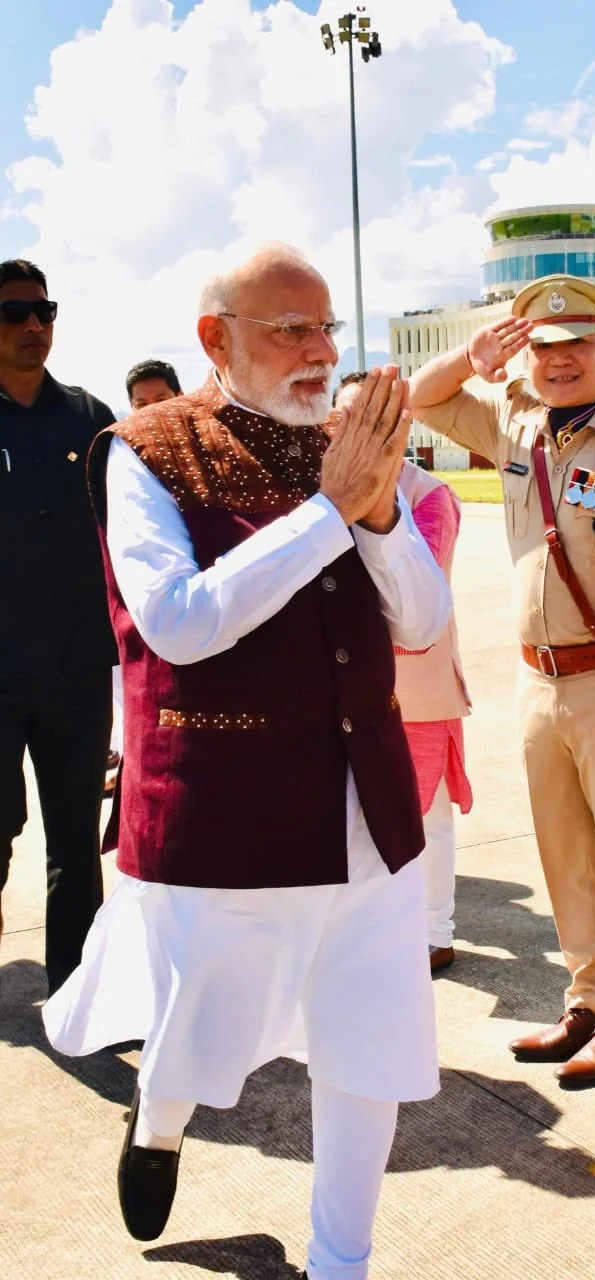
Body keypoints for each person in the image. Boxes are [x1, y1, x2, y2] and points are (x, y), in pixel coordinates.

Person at [43, 245, 450, 1280]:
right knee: (199, 1022)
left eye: (327, 329)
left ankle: (339, 1262)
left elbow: (423, 616)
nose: (320, 352)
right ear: (215, 339)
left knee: (369, 1048)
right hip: (227, 808)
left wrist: (375, 511)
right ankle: (160, 1119)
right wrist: (328, 513)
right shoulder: (143, 450)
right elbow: (177, 623)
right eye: (290, 329)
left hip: (368, 810)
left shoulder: (354, 440)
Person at [409, 275, 595, 1086]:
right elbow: (418, 402)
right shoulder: (515, 423)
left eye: (577, 344)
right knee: (568, 854)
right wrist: (468, 359)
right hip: (539, 680)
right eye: (544, 348)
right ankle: (583, 998)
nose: (561, 361)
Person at [0, 258, 116, 992]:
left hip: (77, 665)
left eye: (44, 310)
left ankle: (77, 988)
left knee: (75, 832)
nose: (33, 325)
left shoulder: (88, 417)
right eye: (14, 313)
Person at [336, 372, 472, 972]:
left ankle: (434, 931)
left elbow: (420, 593)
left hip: (416, 687)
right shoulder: (320, 491)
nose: (359, 430)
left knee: (427, 813)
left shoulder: (429, 495)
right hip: (339, 687)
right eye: (347, 418)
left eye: (378, 417)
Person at [103, 360, 185, 794]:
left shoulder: (206, 458)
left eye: (161, 400)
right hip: (133, 613)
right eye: (141, 404)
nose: (152, 411)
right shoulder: (122, 460)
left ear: (181, 396)